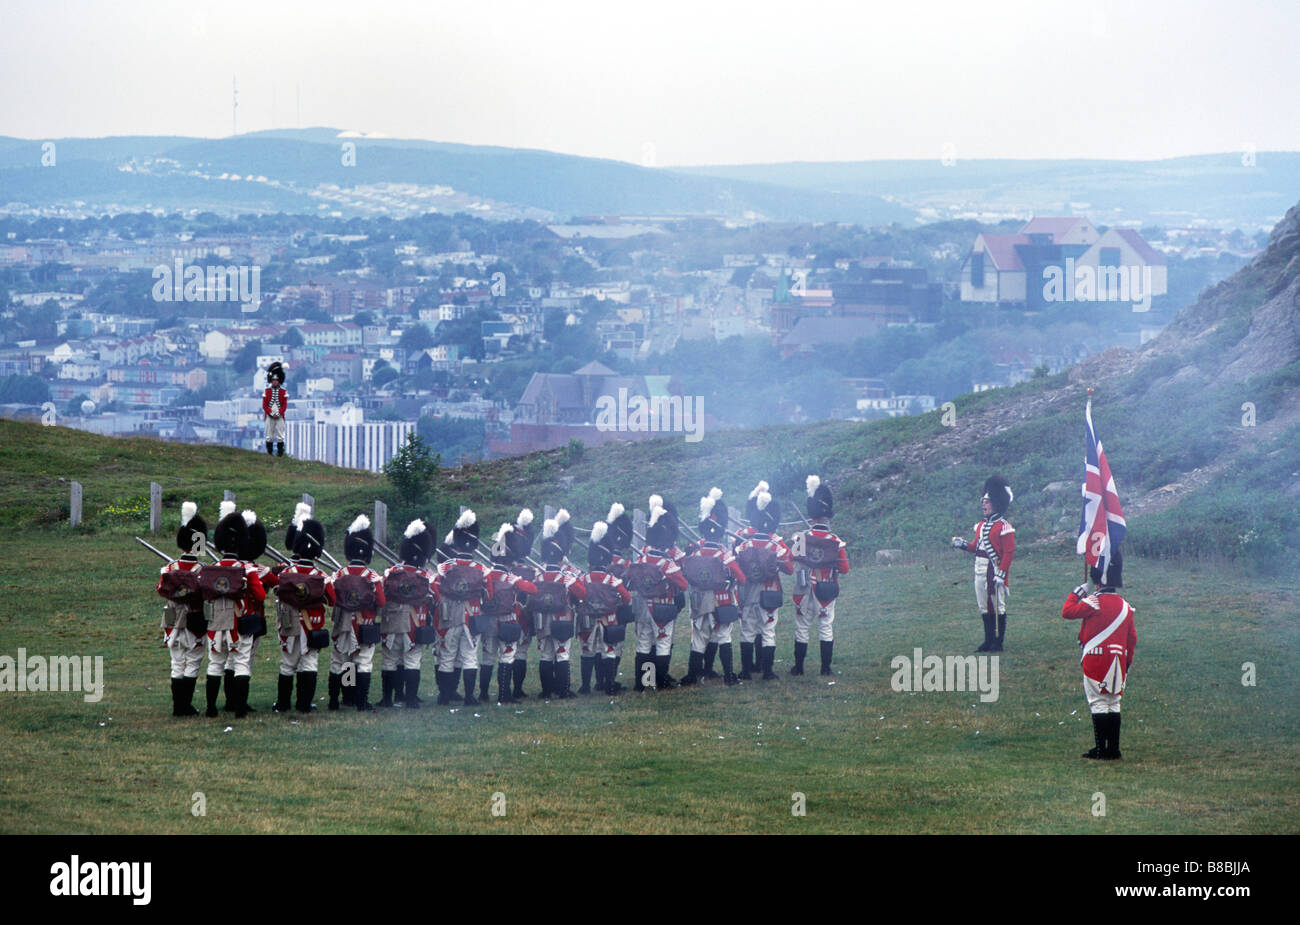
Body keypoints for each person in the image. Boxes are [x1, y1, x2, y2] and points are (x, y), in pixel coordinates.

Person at [1062, 547, 1135, 760]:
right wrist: (1127, 663)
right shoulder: (1126, 606)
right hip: (1119, 660)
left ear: (1097, 580)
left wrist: (1077, 593)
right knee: (1113, 701)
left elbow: (1066, 612)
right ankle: (1113, 748)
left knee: (1098, 702)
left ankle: (1101, 749)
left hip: (1096, 659)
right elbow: (1132, 639)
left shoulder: (1092, 602)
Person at [201, 501, 266, 718]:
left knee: (216, 663)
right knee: (240, 664)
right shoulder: (247, 569)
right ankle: (239, 709)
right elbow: (260, 595)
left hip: (218, 619)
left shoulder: (212, 569)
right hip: (240, 622)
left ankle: (211, 708)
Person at [272, 503, 336, 713]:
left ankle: (282, 704)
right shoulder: (321, 576)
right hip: (312, 624)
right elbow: (333, 600)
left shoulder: (285, 573)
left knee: (287, 663)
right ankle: (304, 704)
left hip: (289, 622)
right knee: (309, 663)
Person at [680, 489, 747, 686]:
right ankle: (728, 676)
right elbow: (741, 579)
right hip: (722, 601)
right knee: (723, 636)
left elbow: (686, 572)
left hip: (700, 601)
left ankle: (693, 676)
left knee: (699, 639)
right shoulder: (724, 554)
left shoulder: (695, 551)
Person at [791, 475, 850, 676]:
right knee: (825, 627)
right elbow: (845, 569)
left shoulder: (801, 538)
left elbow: (793, 560)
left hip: (804, 588)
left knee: (802, 627)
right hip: (826, 588)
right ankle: (826, 668)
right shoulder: (835, 541)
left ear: (812, 515)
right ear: (827, 517)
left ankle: (798, 668)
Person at [627, 500, 689, 690]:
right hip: (661, 606)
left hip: (642, 607)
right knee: (662, 643)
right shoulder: (665, 563)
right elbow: (683, 584)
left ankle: (644, 682)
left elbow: (630, 581)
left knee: (644, 643)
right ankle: (660, 681)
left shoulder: (641, 559)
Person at [734, 485, 793, 681]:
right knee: (768, 631)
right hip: (769, 591)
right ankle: (767, 672)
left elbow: (738, 569)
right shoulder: (776, 547)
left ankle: (746, 671)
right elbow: (789, 569)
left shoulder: (743, 545)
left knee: (748, 631)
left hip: (749, 592)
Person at [433, 510, 492, 706]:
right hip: (472, 616)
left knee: (448, 656)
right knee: (469, 658)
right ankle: (469, 697)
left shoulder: (445, 567)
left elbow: (436, 587)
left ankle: (444, 696)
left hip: (449, 616)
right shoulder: (482, 569)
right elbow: (489, 594)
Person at [952, 475, 1016, 652]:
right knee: (983, 605)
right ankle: (988, 640)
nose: (984, 505)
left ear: (996, 503)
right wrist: (963, 544)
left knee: (997, 605)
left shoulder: (1004, 527)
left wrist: (1001, 574)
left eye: (987, 502)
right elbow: (975, 547)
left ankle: (998, 641)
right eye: (983, 501)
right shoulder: (980, 526)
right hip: (979, 568)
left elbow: (1008, 553)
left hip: (994, 569)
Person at [329, 515, 387, 712]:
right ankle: (361, 702)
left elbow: (332, 598)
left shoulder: (338, 574)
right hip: (365, 624)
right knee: (362, 663)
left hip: (342, 624)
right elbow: (381, 601)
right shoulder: (372, 576)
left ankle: (340, 699)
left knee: (343, 662)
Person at [378, 520, 436, 709]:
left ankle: (388, 698)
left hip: (391, 622)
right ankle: (410, 699)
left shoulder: (390, 572)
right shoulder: (426, 576)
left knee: (390, 659)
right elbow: (437, 596)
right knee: (412, 660)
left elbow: (381, 594)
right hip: (414, 623)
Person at [156, 501, 207, 717]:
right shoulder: (202, 570)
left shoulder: (169, 568)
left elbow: (160, 589)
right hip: (194, 620)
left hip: (171, 618)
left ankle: (179, 706)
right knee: (192, 662)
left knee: (176, 663)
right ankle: (185, 705)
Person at [530, 511, 587, 699]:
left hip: (542, 620)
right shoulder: (566, 577)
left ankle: (546, 690)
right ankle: (563, 690)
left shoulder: (538, 575)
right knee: (562, 654)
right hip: (562, 618)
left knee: (546, 655)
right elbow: (582, 593)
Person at [480, 523, 538, 704]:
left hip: (489, 620)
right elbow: (533, 589)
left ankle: (483, 693)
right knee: (507, 656)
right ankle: (504, 694)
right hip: (508, 620)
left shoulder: (487, 575)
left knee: (488, 657)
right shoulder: (512, 578)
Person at [580, 519, 633, 695]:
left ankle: (586, 686)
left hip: (588, 619)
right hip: (608, 620)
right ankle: (609, 686)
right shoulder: (611, 580)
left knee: (587, 651)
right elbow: (626, 598)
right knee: (608, 651)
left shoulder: (584, 579)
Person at [235, 509, 277, 715]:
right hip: (251, 619)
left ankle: (231, 701)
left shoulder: (229, 567)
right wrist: (269, 573)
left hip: (227, 620)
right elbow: (269, 588)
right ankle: (239, 704)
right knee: (244, 661)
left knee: (227, 661)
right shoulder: (255, 569)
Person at [262, 361, 289, 457]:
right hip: (269, 415)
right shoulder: (267, 391)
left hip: (280, 415)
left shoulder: (283, 391)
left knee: (280, 435)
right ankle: (269, 453)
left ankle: (280, 453)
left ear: (279, 381)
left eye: (276, 380)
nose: (275, 382)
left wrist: (279, 413)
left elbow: (284, 405)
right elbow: (264, 405)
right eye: (273, 380)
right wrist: (270, 413)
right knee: (269, 434)